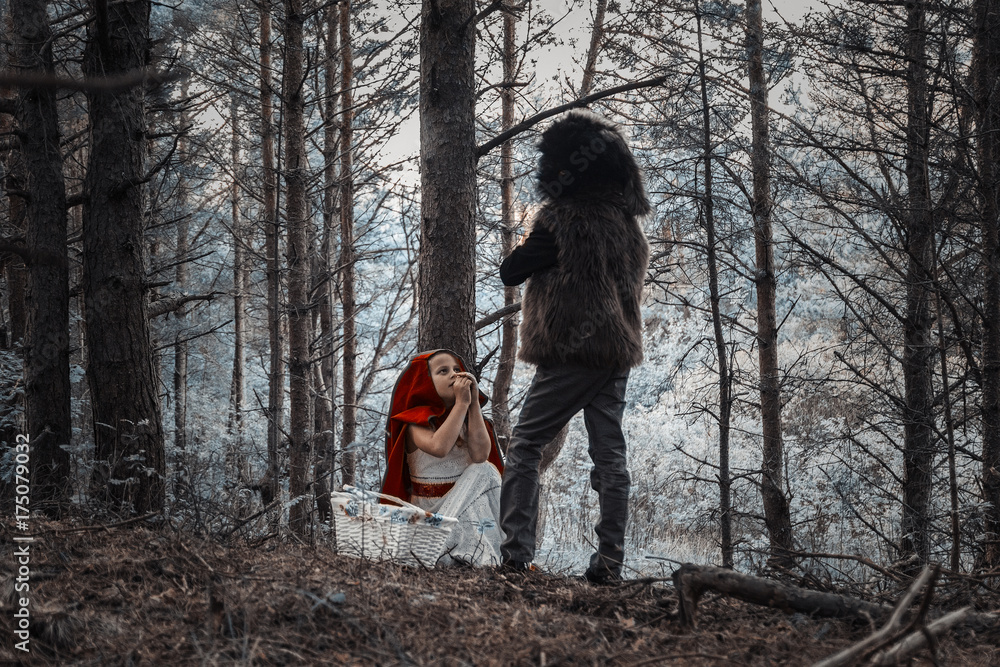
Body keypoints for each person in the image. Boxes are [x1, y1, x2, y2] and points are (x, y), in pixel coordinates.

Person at [498, 109, 651, 583]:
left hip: (569, 352)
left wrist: (533, 238)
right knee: (609, 456)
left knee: (524, 446)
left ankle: (516, 556)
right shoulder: (629, 226)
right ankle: (610, 563)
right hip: (616, 352)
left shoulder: (558, 221)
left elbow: (511, 271)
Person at [382, 350, 505, 566]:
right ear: (426, 383)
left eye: (457, 369)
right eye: (443, 371)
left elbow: (481, 455)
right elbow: (439, 447)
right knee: (483, 471)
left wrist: (473, 403)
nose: (454, 375)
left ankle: (481, 555)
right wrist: (461, 405)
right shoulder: (415, 421)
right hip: (432, 512)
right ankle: (442, 549)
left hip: (466, 506)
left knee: (484, 470)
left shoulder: (466, 417)